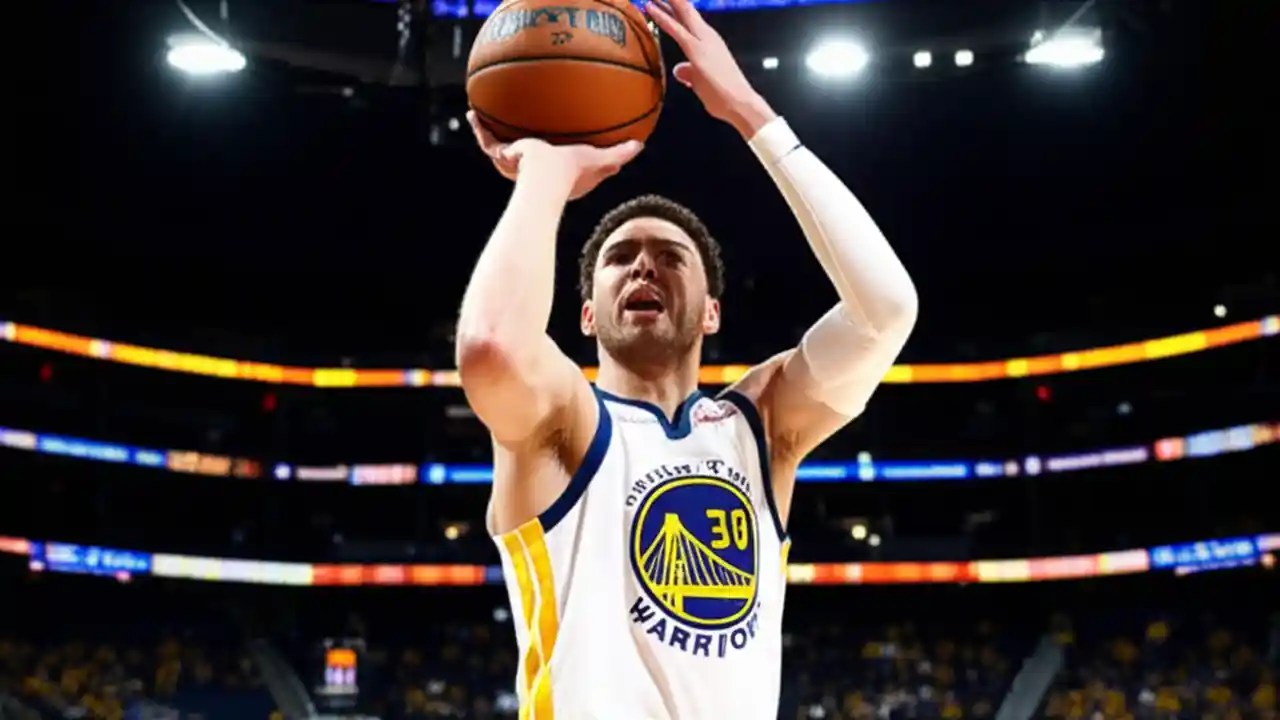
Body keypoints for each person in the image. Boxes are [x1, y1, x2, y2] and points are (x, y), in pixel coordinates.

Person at [455, 0, 918, 716]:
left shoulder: (759, 426)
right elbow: (490, 348)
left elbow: (886, 311)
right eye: (619, 260)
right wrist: (543, 174)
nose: (643, 269)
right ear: (585, 314)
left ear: (711, 311)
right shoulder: (564, 427)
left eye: (670, 257)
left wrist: (753, 115)